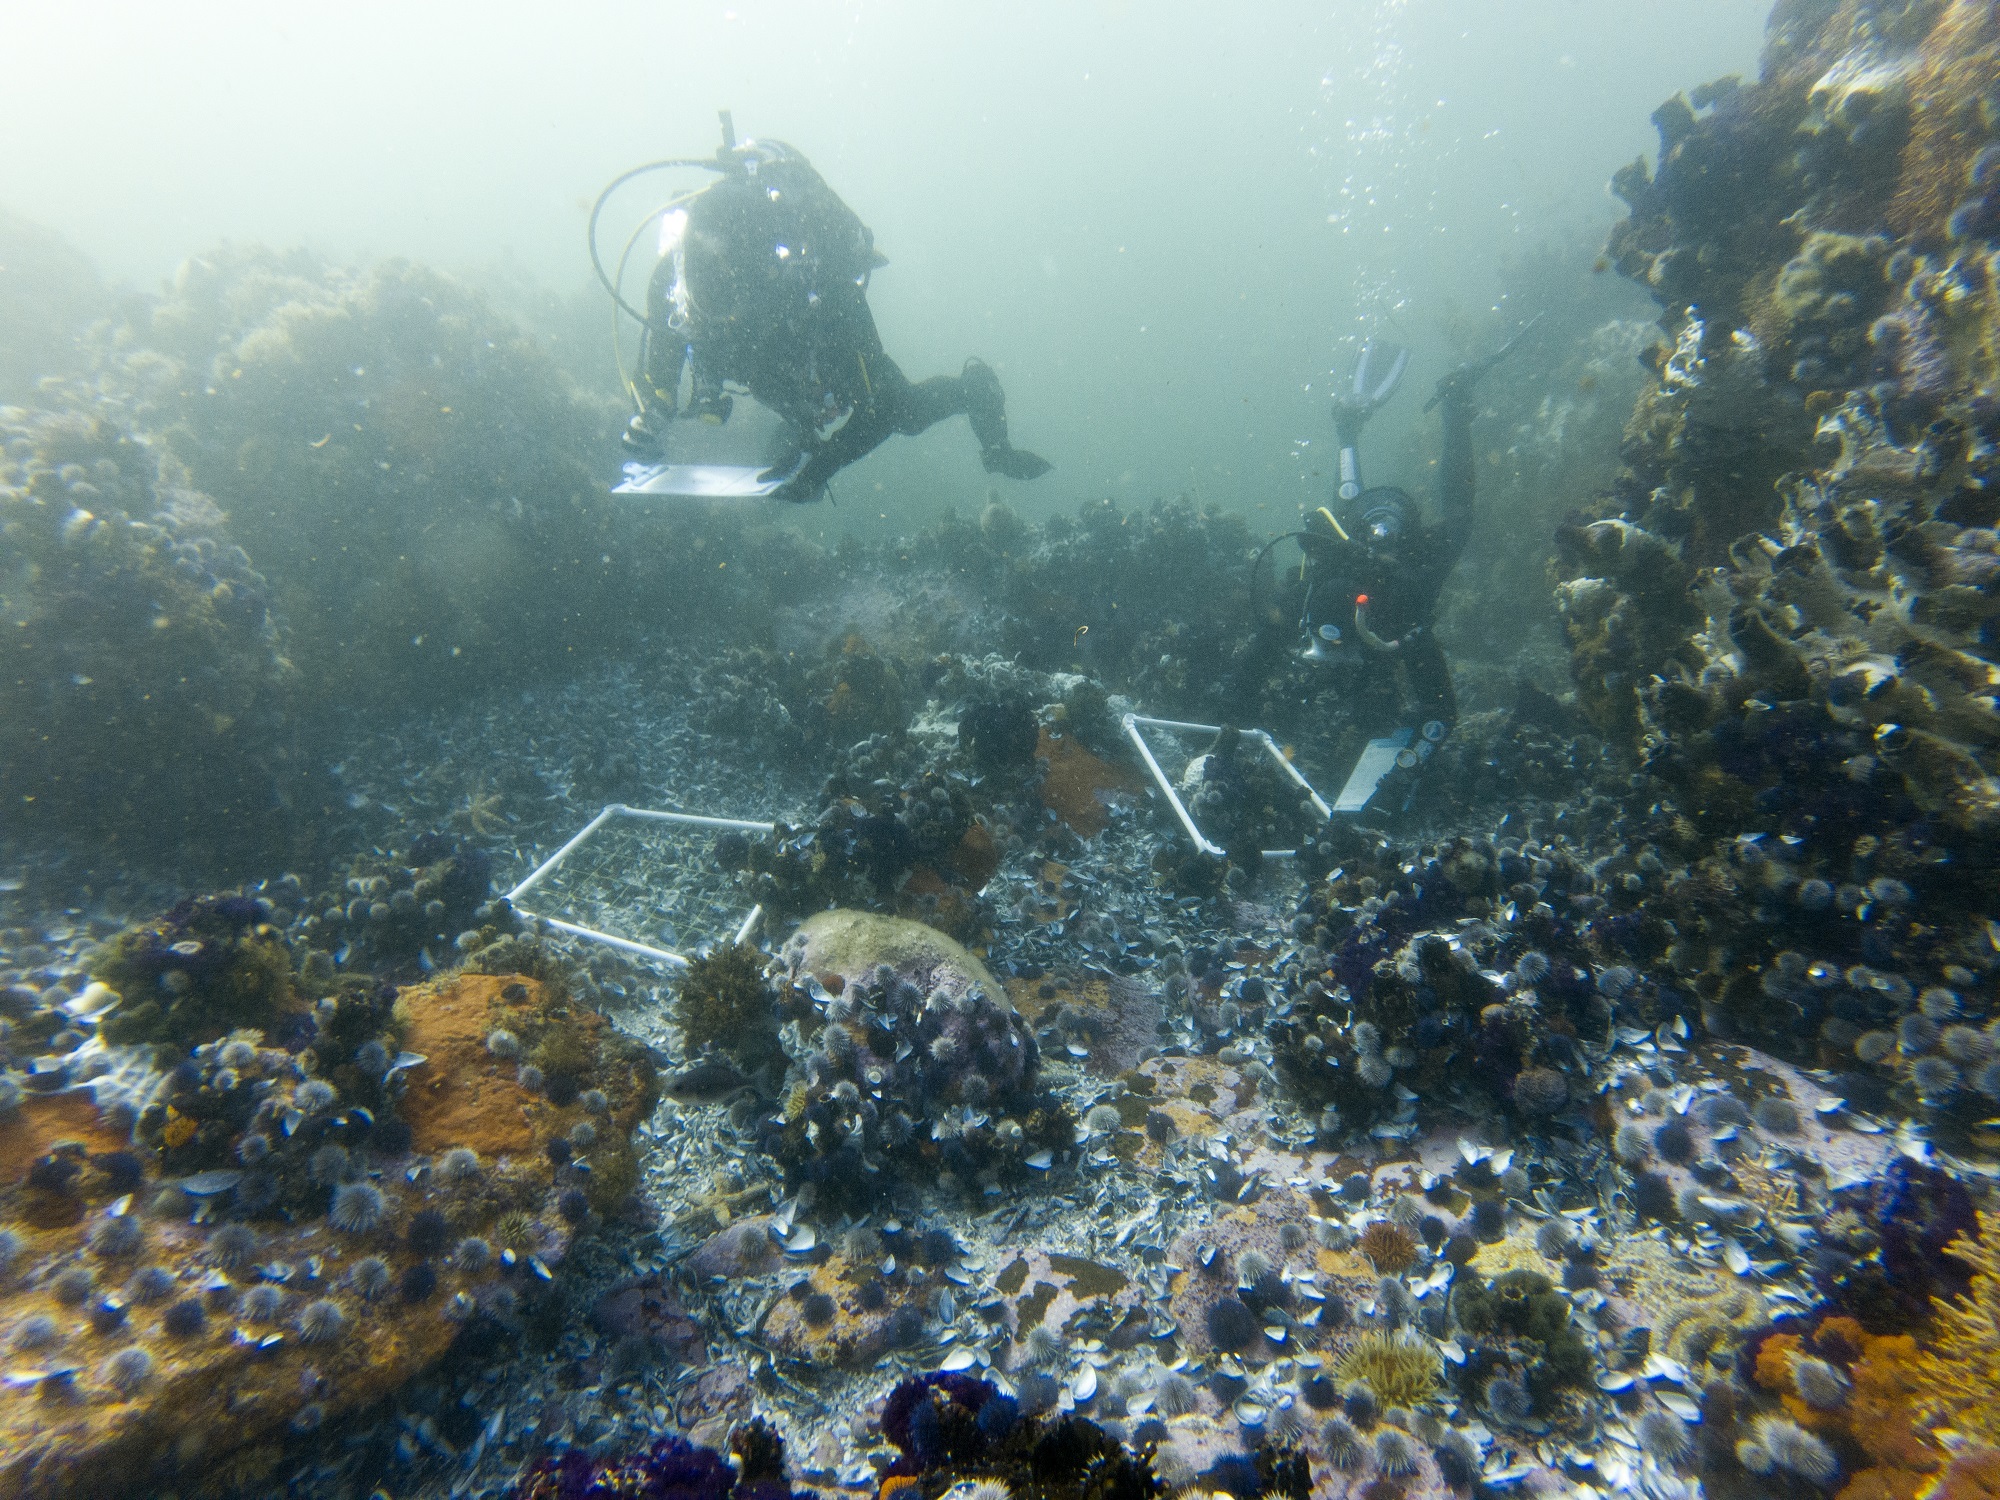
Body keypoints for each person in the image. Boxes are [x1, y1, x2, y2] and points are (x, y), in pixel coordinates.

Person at [625, 134, 1050, 501]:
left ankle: (980, 397)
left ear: (762, 278)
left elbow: (877, 412)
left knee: (906, 415)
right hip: (784, 380)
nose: (719, 319)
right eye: (705, 306)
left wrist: (822, 468)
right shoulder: (673, 280)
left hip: (833, 363)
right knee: (792, 432)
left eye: (730, 305)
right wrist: (653, 417)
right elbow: (663, 356)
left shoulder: (824, 291)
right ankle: (803, 434)